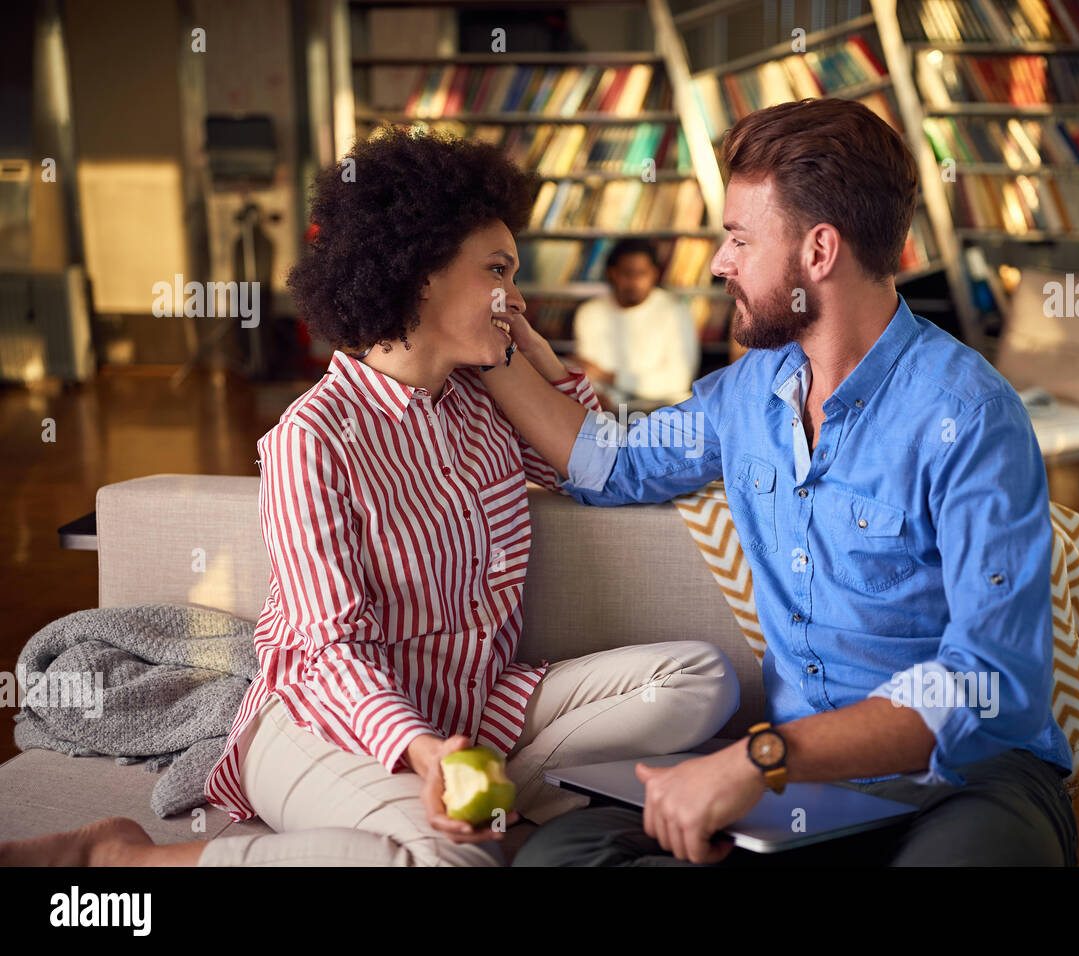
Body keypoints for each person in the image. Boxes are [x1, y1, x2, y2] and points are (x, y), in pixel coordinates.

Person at [0, 127, 739, 868]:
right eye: (497, 271)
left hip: (475, 709)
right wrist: (421, 754)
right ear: (420, 274)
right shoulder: (313, 439)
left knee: (703, 678)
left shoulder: (479, 408)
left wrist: (543, 366)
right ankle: (125, 860)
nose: (516, 297)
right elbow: (329, 652)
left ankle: (486, 800)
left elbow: (591, 472)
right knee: (453, 863)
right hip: (325, 723)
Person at [477, 98, 1079, 867]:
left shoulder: (969, 416)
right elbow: (609, 463)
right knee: (561, 854)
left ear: (818, 252)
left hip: (961, 781)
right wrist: (493, 348)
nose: (720, 262)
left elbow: (989, 681)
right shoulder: (746, 393)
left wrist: (758, 758)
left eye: (736, 238)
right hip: (801, 790)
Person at [572, 238, 699, 409]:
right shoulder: (589, 313)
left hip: (663, 412)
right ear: (612, 273)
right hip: (606, 412)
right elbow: (588, 374)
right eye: (627, 273)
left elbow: (677, 381)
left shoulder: (675, 311)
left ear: (655, 274)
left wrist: (610, 377)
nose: (634, 281)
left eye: (642, 273)